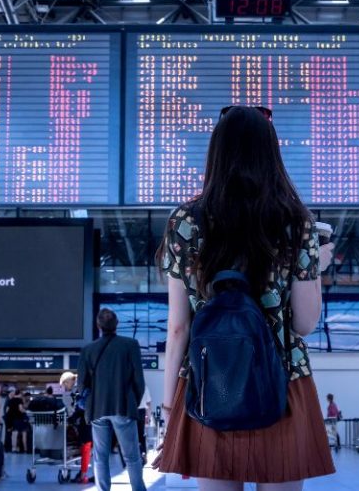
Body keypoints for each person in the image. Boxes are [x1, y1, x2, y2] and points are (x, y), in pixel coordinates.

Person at [153, 105, 336, 490]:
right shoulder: (296, 221)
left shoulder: (186, 222)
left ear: (216, 153)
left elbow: (177, 327)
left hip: (208, 382)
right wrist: (315, 266)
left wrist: (170, 404)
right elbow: (304, 324)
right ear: (271, 153)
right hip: (283, 382)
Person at [78, 308, 146, 491]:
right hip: (123, 406)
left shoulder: (88, 350)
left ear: (98, 325)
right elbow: (139, 380)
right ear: (117, 324)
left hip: (97, 409)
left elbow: (81, 385)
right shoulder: (130, 345)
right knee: (132, 456)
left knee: (100, 457)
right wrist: (133, 400)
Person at [5, 389, 28, 453]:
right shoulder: (19, 400)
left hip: (13, 419)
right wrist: (25, 411)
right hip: (20, 418)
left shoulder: (11, 400)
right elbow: (20, 409)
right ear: (20, 394)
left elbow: (7, 410)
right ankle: (25, 449)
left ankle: (13, 448)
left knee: (14, 434)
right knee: (24, 433)